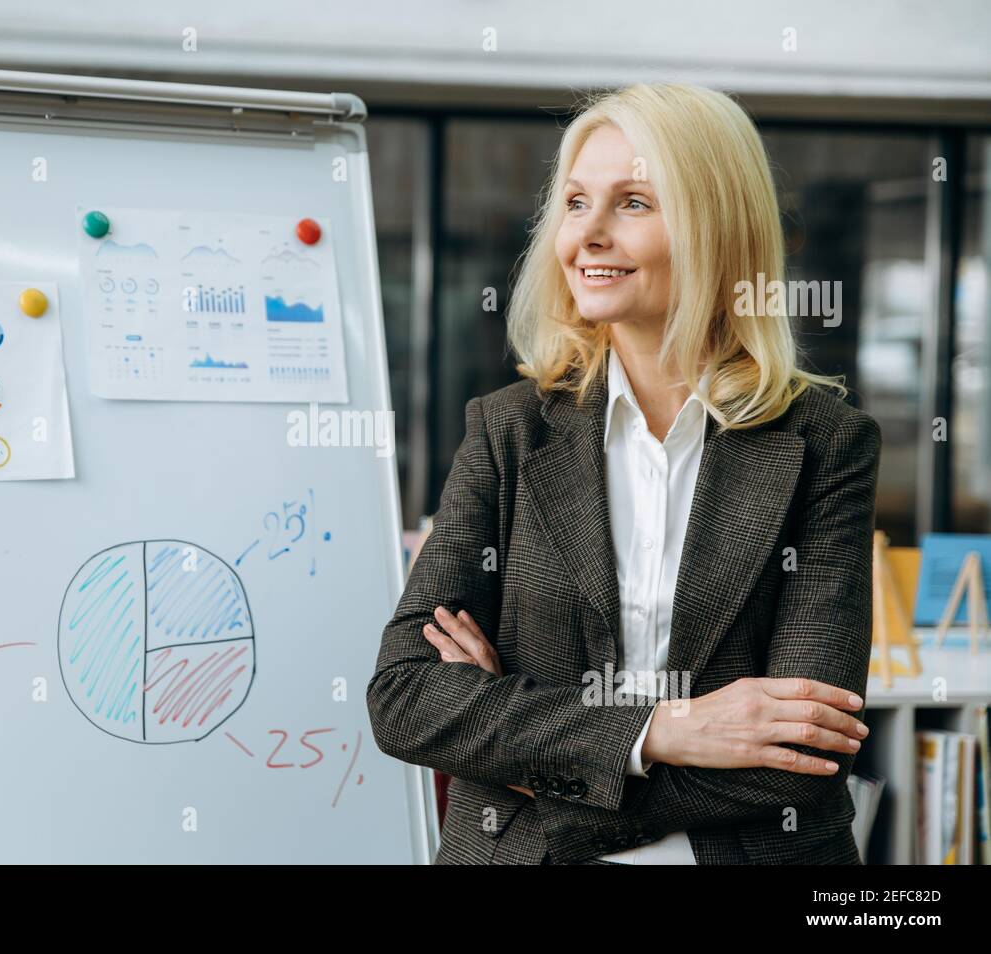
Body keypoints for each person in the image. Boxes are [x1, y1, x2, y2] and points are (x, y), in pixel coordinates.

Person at [366, 83, 881, 865]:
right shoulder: (507, 430)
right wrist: (666, 731)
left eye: (634, 202)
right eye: (576, 202)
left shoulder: (825, 445)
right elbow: (406, 697)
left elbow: (805, 752)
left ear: (719, 227)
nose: (589, 235)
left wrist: (530, 762)